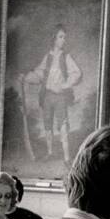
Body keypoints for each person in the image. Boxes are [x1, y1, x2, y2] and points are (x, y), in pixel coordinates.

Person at [26, 24, 82, 165]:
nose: (63, 40)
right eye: (60, 37)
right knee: (47, 124)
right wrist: (26, 77)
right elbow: (39, 74)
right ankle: (50, 153)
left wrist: (64, 85)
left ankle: (67, 158)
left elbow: (76, 73)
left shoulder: (66, 57)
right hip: (47, 96)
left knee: (63, 124)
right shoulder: (48, 57)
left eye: (64, 37)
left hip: (60, 96)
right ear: (54, 38)